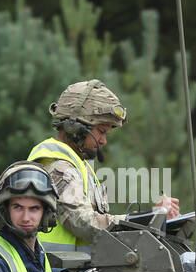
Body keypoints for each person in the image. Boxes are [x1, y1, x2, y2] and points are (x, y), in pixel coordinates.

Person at [28, 79, 179, 251]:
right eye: (101, 131)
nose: (104, 141)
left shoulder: (78, 165)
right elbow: (85, 223)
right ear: (75, 127)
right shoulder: (57, 166)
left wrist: (152, 217)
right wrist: (148, 219)